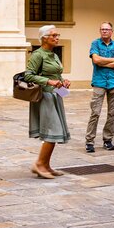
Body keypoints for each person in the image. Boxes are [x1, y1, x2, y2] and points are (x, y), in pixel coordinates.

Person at [24, 25, 71, 178]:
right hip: (44, 97)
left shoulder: (54, 55)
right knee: (53, 131)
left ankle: (45, 165)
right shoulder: (38, 55)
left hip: (55, 96)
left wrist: (63, 82)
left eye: (58, 35)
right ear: (44, 38)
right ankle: (38, 164)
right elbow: (28, 76)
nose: (57, 37)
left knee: (54, 132)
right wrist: (49, 82)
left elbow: (57, 74)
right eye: (54, 35)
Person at [85, 22, 114, 153]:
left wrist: (104, 63)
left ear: (111, 31)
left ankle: (108, 140)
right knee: (95, 112)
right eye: (102, 29)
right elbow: (96, 60)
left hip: (113, 83)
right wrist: (113, 61)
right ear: (99, 31)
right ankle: (89, 141)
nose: (104, 31)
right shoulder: (95, 44)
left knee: (112, 113)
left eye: (107, 29)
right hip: (99, 82)